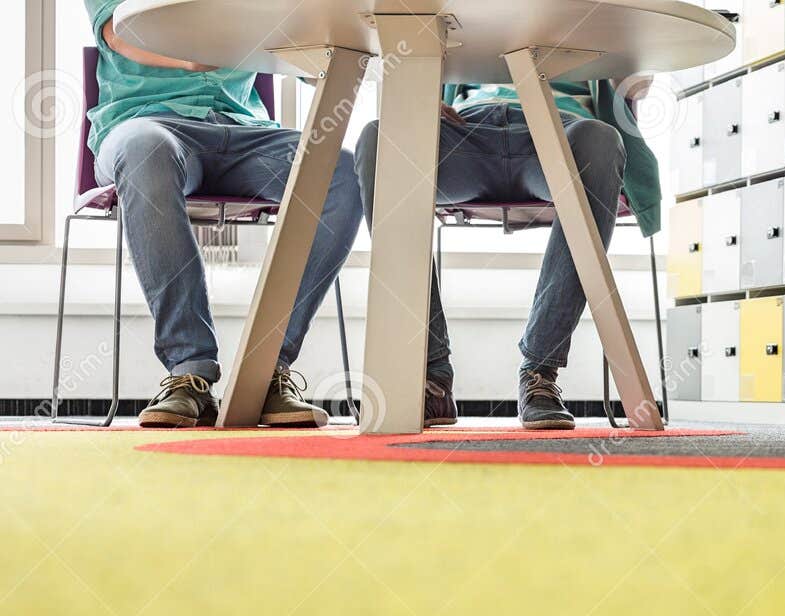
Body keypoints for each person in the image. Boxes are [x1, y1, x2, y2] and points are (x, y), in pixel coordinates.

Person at [86, 1, 363, 428]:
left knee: (342, 171)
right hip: (147, 124)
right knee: (146, 150)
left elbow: (307, 55)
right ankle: (189, 372)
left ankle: (268, 371)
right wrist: (191, 60)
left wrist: (320, 49)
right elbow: (118, 33)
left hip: (242, 130)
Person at [353, 78, 662, 429]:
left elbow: (635, 79)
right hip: (467, 129)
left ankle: (540, 373)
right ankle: (432, 375)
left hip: (559, 133)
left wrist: (626, 71)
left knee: (601, 140)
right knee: (379, 138)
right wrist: (415, 97)